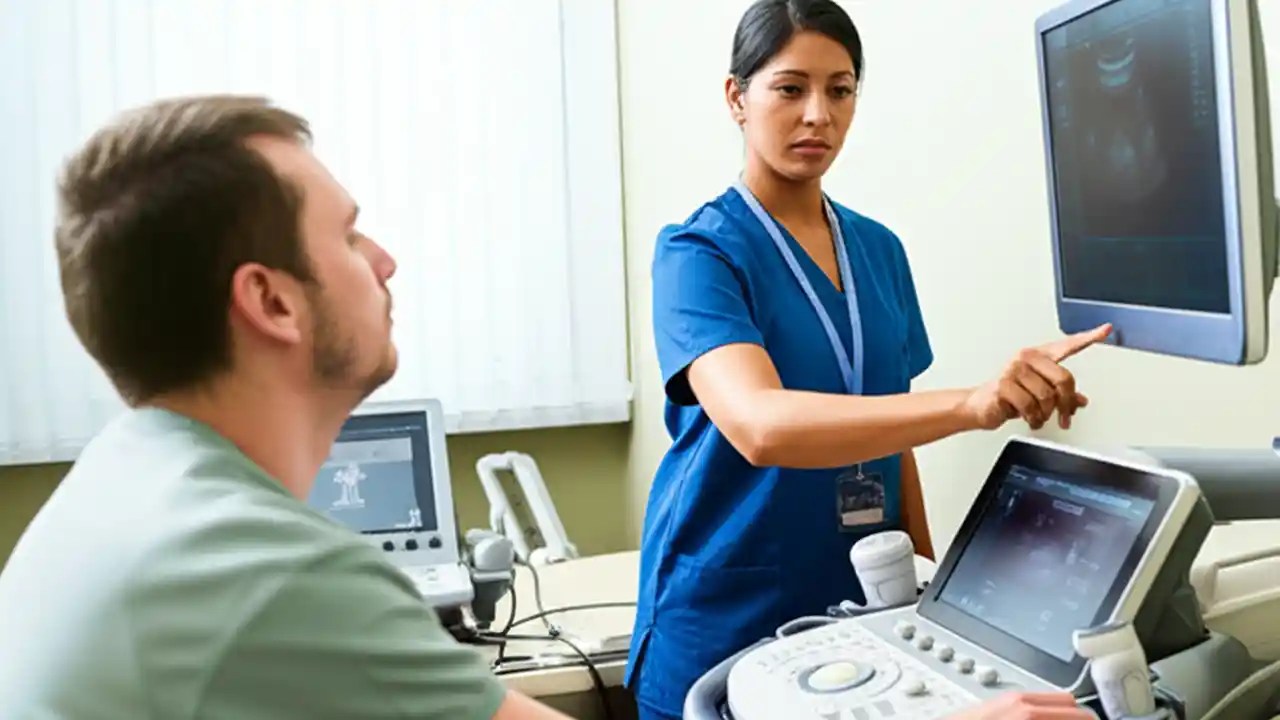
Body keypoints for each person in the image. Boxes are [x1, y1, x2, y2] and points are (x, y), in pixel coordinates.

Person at [0, 96, 572, 719]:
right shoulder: (268, 573)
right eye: (349, 237)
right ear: (271, 302)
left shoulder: (116, 483)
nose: (386, 262)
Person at [624, 2, 1107, 719]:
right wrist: (976, 403)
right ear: (737, 97)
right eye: (790, 88)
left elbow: (890, 432)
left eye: (839, 89)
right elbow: (761, 426)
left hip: (857, 621)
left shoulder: (879, 250)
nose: (817, 114)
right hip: (722, 615)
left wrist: (928, 593)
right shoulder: (699, 253)